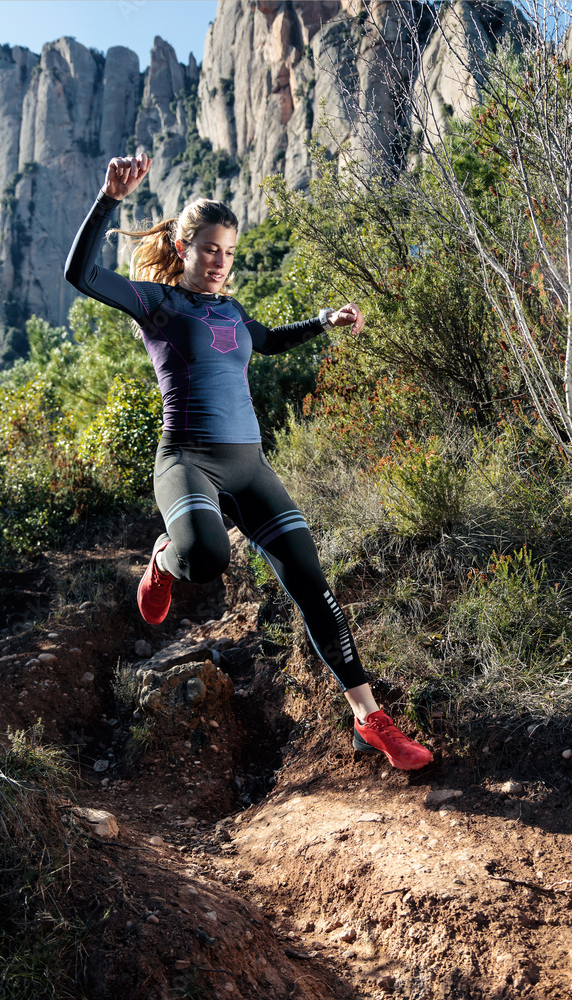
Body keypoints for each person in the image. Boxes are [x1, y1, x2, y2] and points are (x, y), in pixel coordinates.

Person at [65, 153, 433, 771]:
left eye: (230, 252)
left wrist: (326, 320)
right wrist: (108, 198)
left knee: (313, 586)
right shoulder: (155, 303)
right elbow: (79, 274)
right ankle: (164, 558)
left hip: (250, 467)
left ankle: (370, 719)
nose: (220, 262)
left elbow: (270, 339)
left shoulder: (232, 313)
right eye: (210, 249)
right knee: (206, 558)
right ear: (184, 247)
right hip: (187, 460)